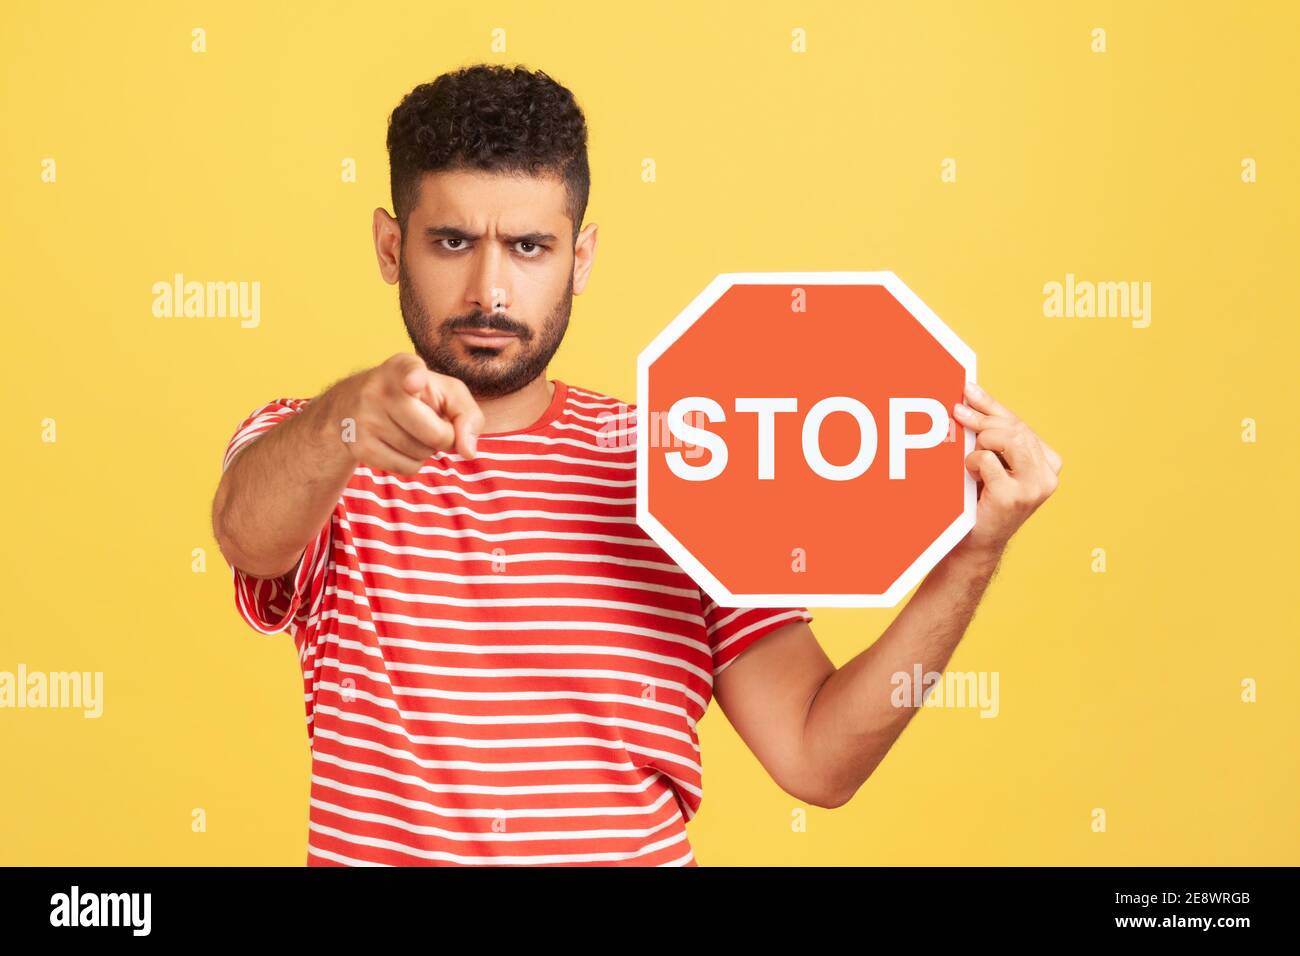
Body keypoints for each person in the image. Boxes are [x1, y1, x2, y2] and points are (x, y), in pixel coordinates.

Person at [210, 63, 1062, 866]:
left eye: (532, 248)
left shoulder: (686, 457)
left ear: (580, 258)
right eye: (453, 241)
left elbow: (815, 757)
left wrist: (972, 553)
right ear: (392, 248)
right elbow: (248, 533)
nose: (491, 292)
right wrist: (341, 426)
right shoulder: (320, 449)